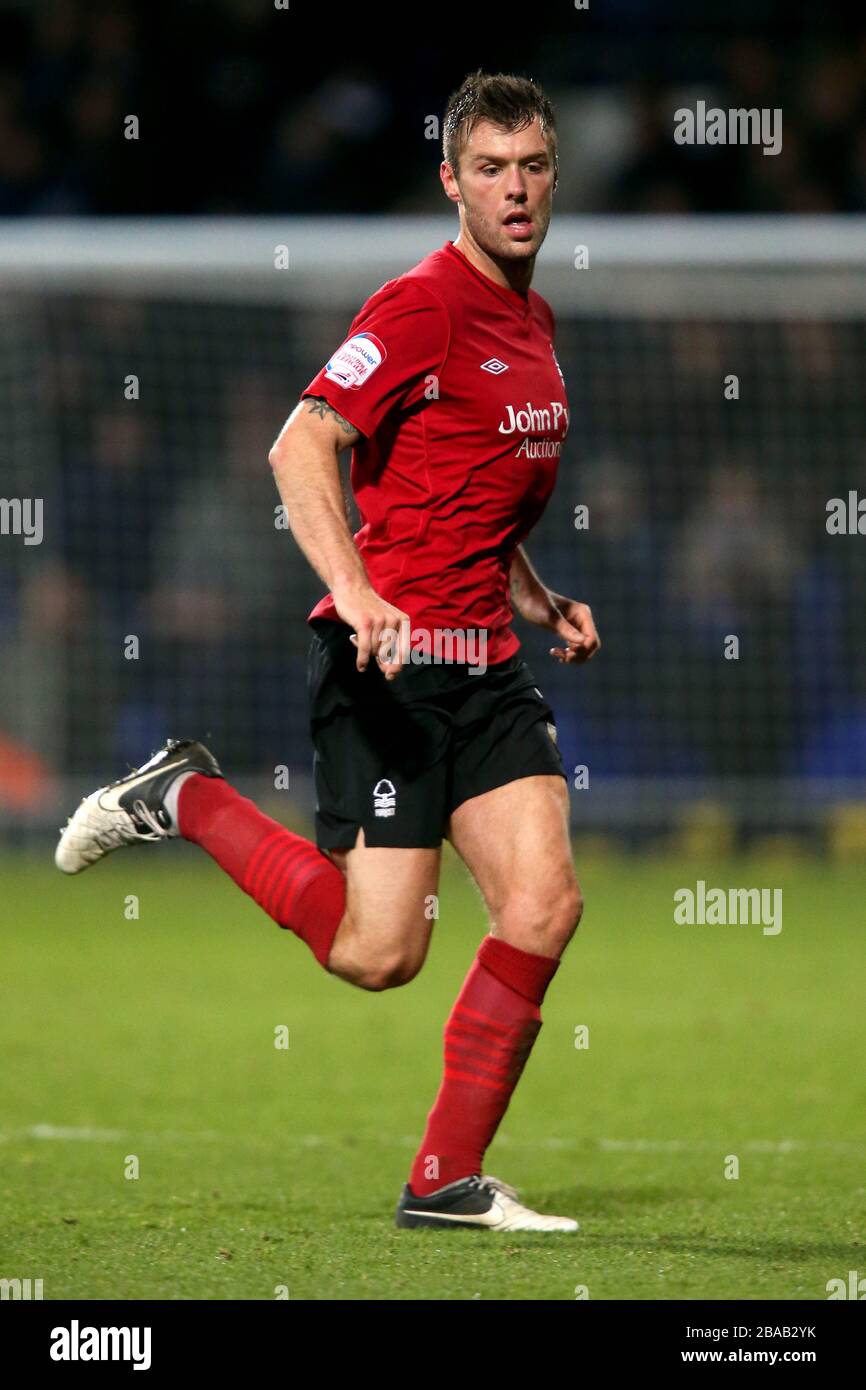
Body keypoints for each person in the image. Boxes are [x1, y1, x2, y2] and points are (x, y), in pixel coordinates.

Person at [55, 71, 601, 1233]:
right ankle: (183, 796)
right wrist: (352, 589)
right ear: (450, 181)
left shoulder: (534, 323)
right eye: (490, 169)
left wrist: (536, 594)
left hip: (487, 666)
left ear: (554, 176)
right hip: (388, 674)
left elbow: (468, 489)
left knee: (543, 905)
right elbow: (300, 444)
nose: (513, 189)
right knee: (375, 952)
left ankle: (443, 1181)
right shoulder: (419, 307)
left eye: (531, 167)